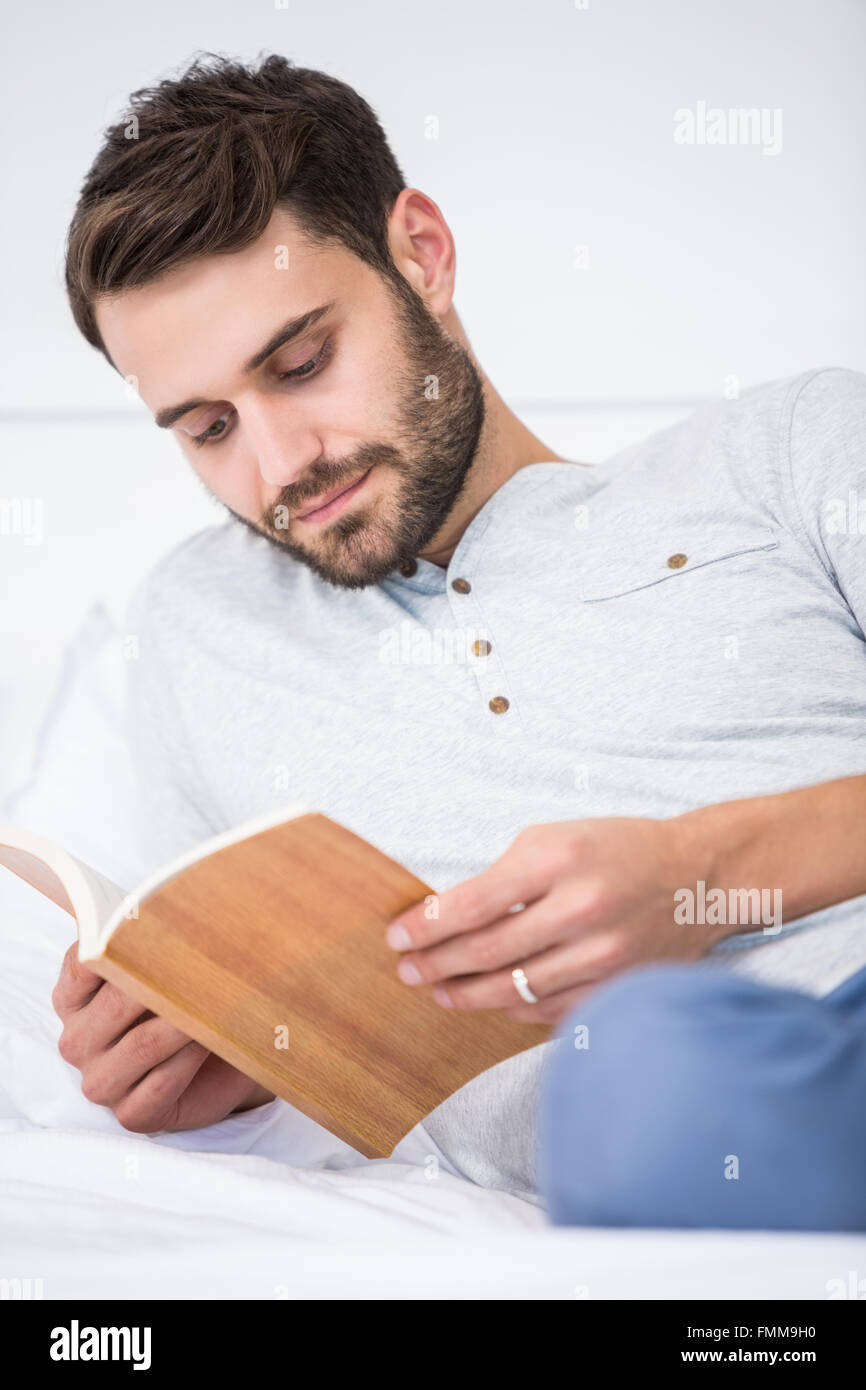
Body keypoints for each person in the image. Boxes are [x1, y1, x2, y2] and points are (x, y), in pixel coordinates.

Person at [54, 54, 866, 1209]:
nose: (281, 466)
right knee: (631, 1072)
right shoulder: (197, 634)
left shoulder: (791, 448)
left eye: (301, 362)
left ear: (420, 255)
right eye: (208, 426)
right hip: (645, 1114)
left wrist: (702, 876)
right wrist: (232, 1062)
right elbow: (265, 998)